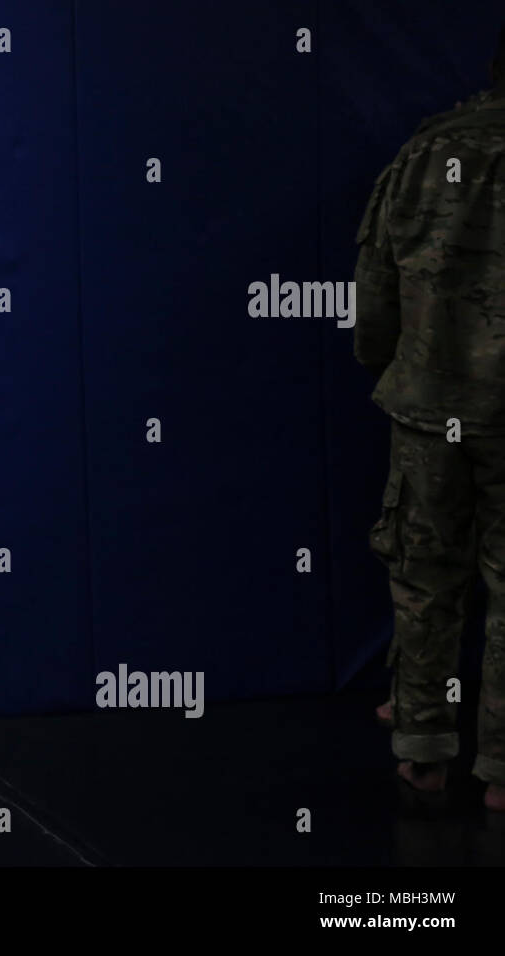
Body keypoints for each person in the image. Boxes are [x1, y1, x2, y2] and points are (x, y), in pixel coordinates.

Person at [354, 27, 505, 811]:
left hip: (432, 406)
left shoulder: (428, 153)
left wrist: (393, 366)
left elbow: (375, 285)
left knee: (424, 576)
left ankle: (422, 746)